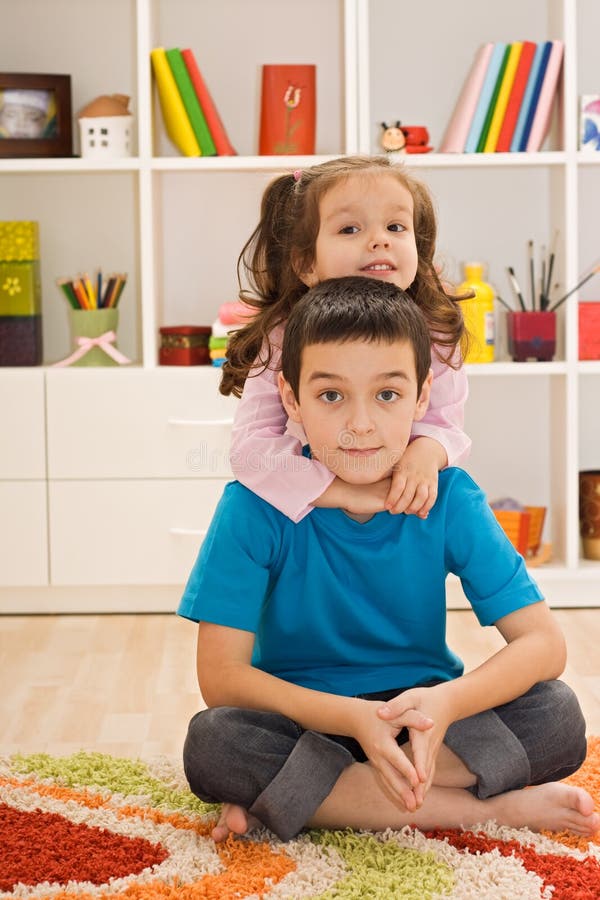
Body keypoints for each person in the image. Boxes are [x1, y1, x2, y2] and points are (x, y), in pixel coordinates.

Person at [179, 276, 598, 844]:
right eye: (331, 396)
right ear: (290, 397)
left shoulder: (450, 497)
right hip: (308, 722)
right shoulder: (254, 507)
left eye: (387, 395)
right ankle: (483, 812)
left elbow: (544, 645)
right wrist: (351, 719)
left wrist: (447, 701)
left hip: (424, 720)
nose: (360, 424)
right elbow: (221, 679)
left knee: (558, 714)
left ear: (422, 397)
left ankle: (304, 797)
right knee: (215, 742)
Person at [221, 155, 471, 524]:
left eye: (396, 226)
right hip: (307, 511)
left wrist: (428, 453)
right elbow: (250, 449)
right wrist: (347, 494)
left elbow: (447, 423)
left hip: (403, 503)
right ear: (306, 263)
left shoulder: (435, 329)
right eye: (350, 229)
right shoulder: (282, 335)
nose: (379, 241)